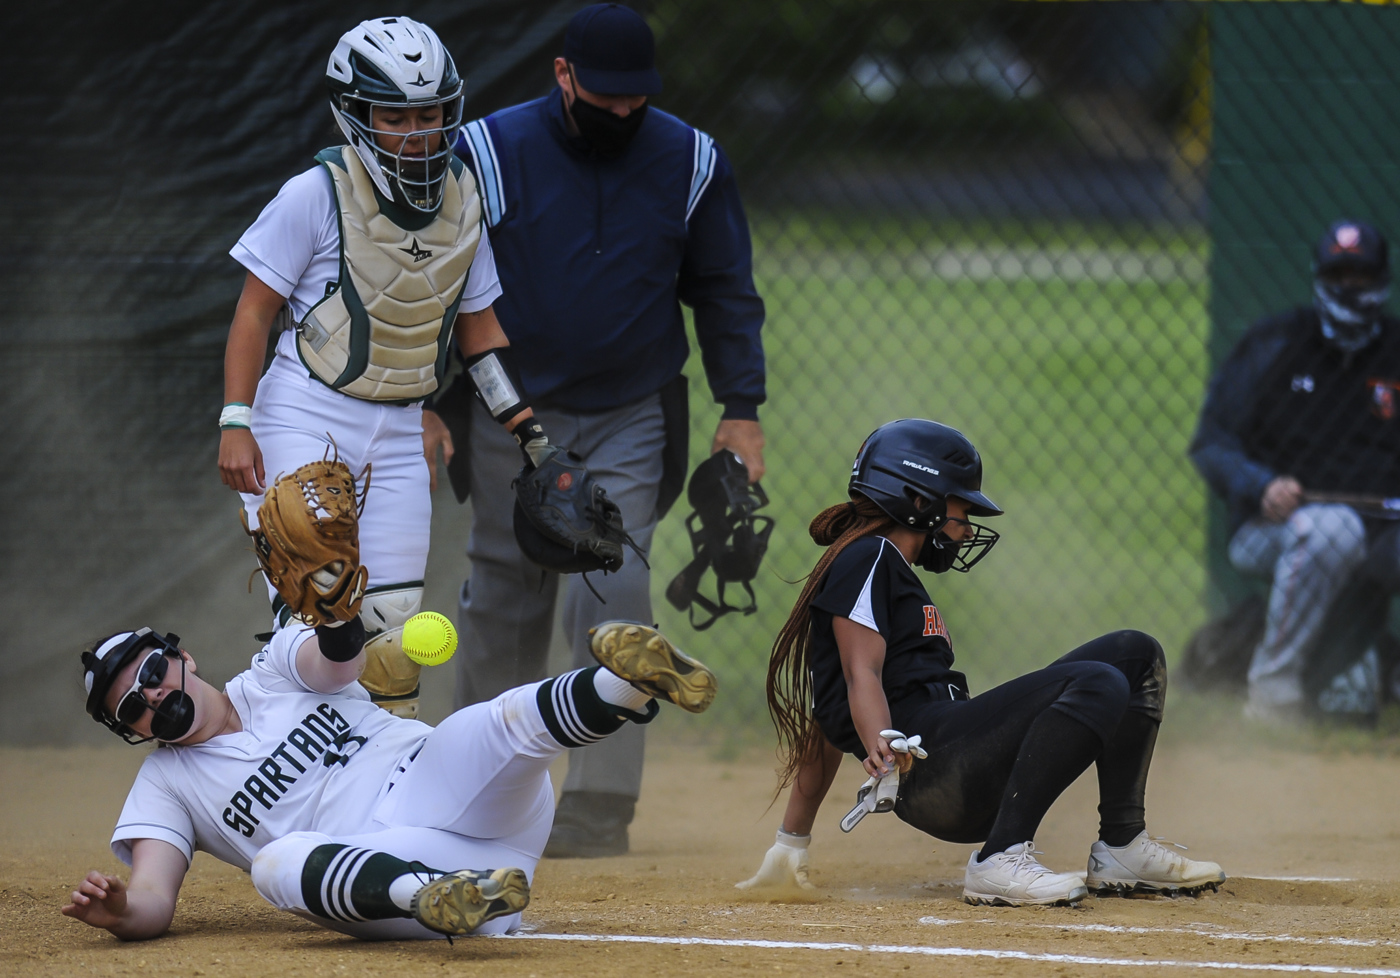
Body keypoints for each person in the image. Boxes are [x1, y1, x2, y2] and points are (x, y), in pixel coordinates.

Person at [425, 3, 766, 856]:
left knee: (612, 586)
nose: (620, 114)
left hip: (629, 406)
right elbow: (438, 283)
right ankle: (480, 789)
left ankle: (600, 804)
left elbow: (725, 288)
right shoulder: (490, 152)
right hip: (511, 404)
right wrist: (432, 400)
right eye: (602, 96)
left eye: (635, 101)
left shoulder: (690, 159)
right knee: (504, 591)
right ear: (562, 75)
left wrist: (743, 408)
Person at [218, 16, 584, 720]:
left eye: (431, 112)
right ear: (353, 115)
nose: (418, 130)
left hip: (401, 427)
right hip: (304, 410)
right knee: (321, 611)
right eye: (396, 115)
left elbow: (480, 337)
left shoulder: (463, 198)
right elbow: (253, 316)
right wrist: (237, 421)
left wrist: (532, 436)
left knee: (392, 624)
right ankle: (277, 777)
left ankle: (376, 800)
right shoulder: (315, 194)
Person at [737, 419, 1224, 906]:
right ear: (919, 501)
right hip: (935, 769)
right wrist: (884, 753)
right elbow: (856, 677)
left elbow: (828, 708)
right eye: (961, 509)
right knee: (1098, 683)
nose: (968, 528)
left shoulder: (881, 567)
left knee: (1135, 653)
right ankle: (1000, 857)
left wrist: (790, 846)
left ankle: (1121, 845)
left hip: (954, 753)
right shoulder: (868, 557)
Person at [62, 618, 715, 941]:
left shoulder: (272, 667)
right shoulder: (166, 785)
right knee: (275, 866)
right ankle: (440, 897)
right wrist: (121, 913)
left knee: (488, 724)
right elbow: (152, 897)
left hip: (454, 789)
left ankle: (625, 684)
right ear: (134, 732)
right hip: (381, 872)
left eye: (150, 675)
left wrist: (336, 611)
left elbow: (337, 664)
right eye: (131, 709)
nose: (149, 700)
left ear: (181, 658)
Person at [1190, 219, 1400, 722]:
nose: (1350, 289)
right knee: (1330, 529)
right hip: (1278, 529)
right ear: (1319, 278)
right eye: (1339, 277)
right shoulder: (1273, 344)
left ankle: (1378, 676)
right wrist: (1261, 485)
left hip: (1386, 530)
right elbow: (1212, 444)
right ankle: (1274, 696)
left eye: (1362, 278)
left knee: (1351, 533)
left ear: (1382, 281)